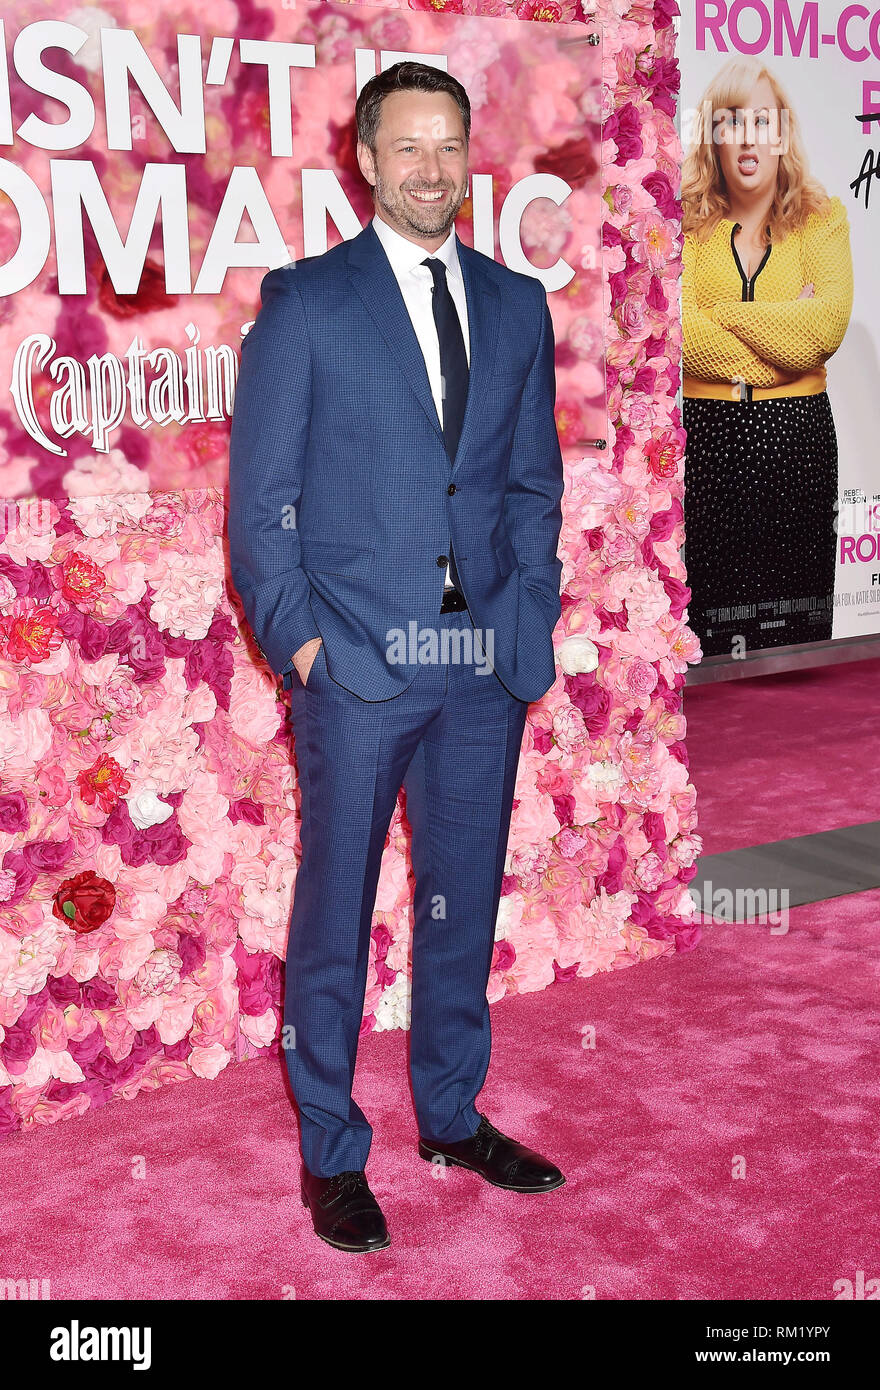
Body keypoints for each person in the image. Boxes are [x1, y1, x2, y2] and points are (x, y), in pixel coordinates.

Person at [228, 61, 566, 1253]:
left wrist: (529, 614)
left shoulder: (515, 305)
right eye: (408, 148)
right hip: (359, 669)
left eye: (450, 146)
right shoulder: (309, 302)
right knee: (336, 909)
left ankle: (450, 1114)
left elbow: (530, 485)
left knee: (458, 903)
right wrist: (306, 644)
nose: (433, 170)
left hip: (483, 665)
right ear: (367, 160)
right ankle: (332, 1152)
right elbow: (260, 505)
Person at [682, 57, 853, 656]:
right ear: (715, 137)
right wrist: (783, 338)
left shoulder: (821, 219)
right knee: (708, 620)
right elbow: (680, 336)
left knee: (796, 627)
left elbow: (824, 326)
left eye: (762, 120)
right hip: (709, 438)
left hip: (797, 439)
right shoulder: (686, 226)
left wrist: (722, 315)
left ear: (782, 134)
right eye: (732, 121)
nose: (748, 135)